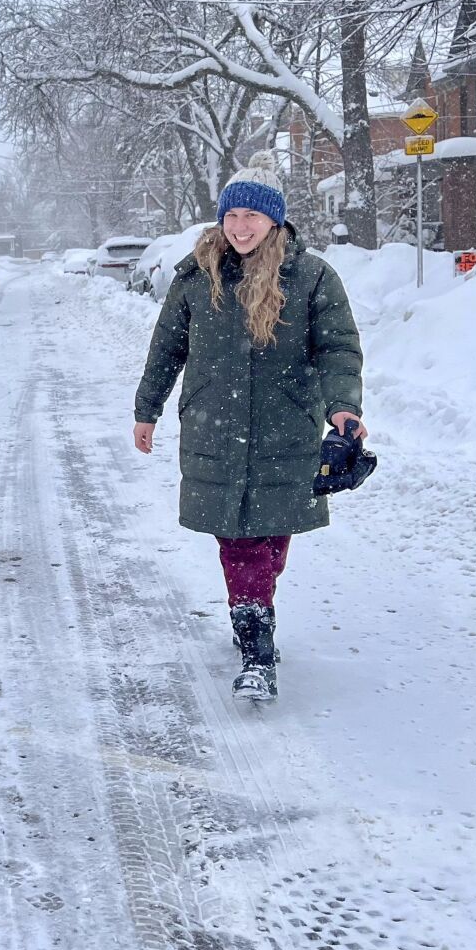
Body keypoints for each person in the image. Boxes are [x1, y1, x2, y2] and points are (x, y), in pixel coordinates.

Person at [131, 153, 364, 701]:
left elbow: (338, 348)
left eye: (251, 217)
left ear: (274, 220)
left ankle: (254, 605)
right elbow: (166, 349)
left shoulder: (310, 277)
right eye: (231, 215)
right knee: (238, 541)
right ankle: (256, 645)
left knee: (270, 540)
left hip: (287, 426)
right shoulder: (196, 276)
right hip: (214, 426)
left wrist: (343, 407)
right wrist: (148, 409)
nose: (240, 227)